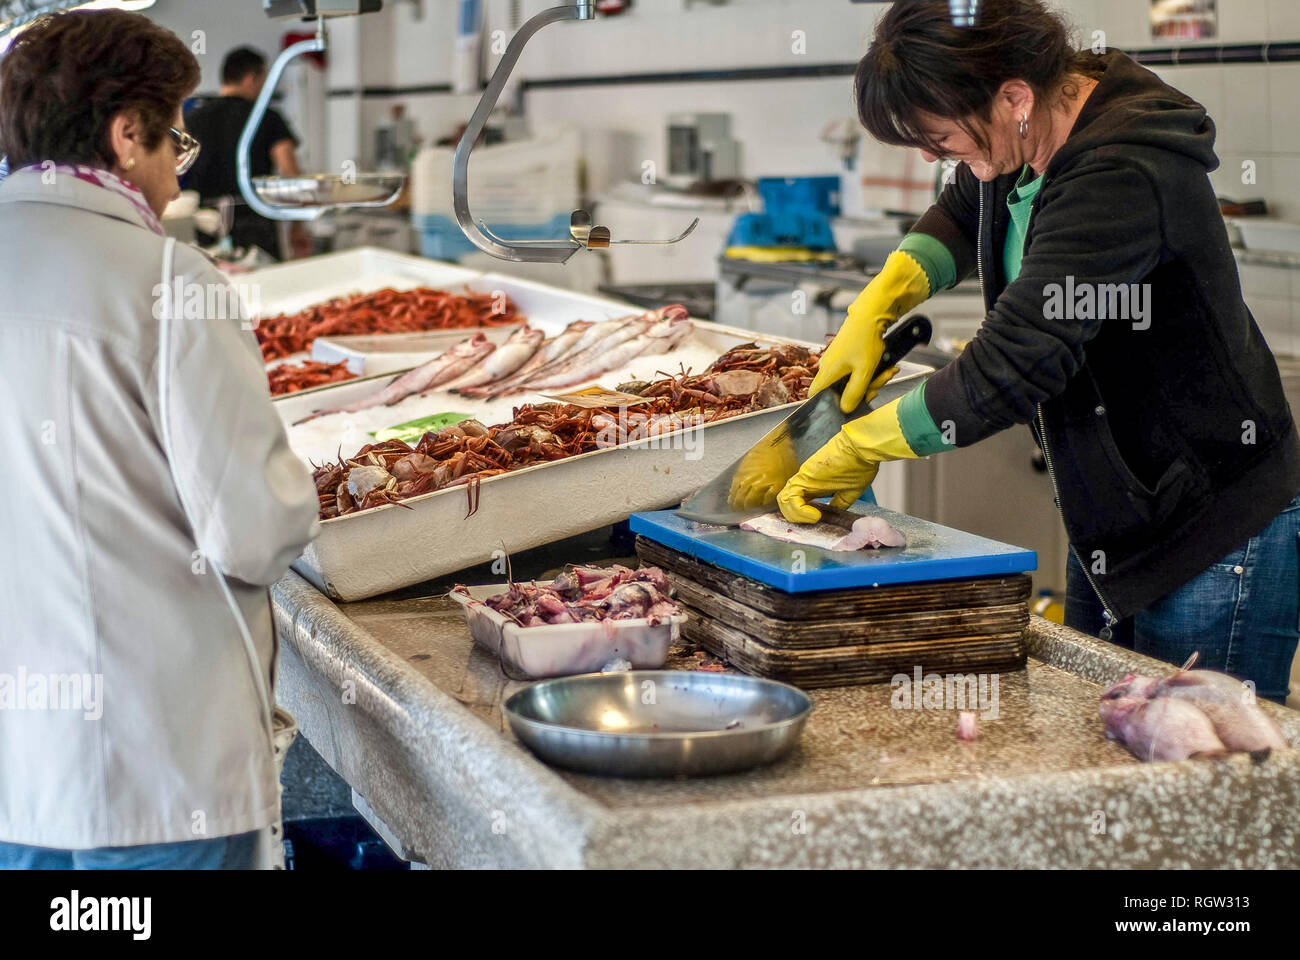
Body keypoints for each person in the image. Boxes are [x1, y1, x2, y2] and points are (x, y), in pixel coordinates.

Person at [776, 0, 1300, 701]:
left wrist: (858, 446)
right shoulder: (1025, 134)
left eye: (939, 137)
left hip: (1211, 527)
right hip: (1114, 514)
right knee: (1102, 749)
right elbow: (966, 207)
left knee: (1201, 773)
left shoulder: (1121, 170)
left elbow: (1014, 363)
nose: (935, 157)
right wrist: (884, 296)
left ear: (1014, 96)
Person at [0, 10, 319, 867]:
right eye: (174, 140)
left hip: (18, 788)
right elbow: (251, 531)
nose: (179, 178)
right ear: (125, 133)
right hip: (159, 782)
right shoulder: (170, 280)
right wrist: (306, 486)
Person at [184, 45, 309, 259]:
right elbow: (291, 175)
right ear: (251, 79)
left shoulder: (192, 118)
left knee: (213, 288)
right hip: (255, 224)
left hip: (204, 223)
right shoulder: (267, 117)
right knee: (266, 287)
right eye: (263, 80)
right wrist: (297, 226)